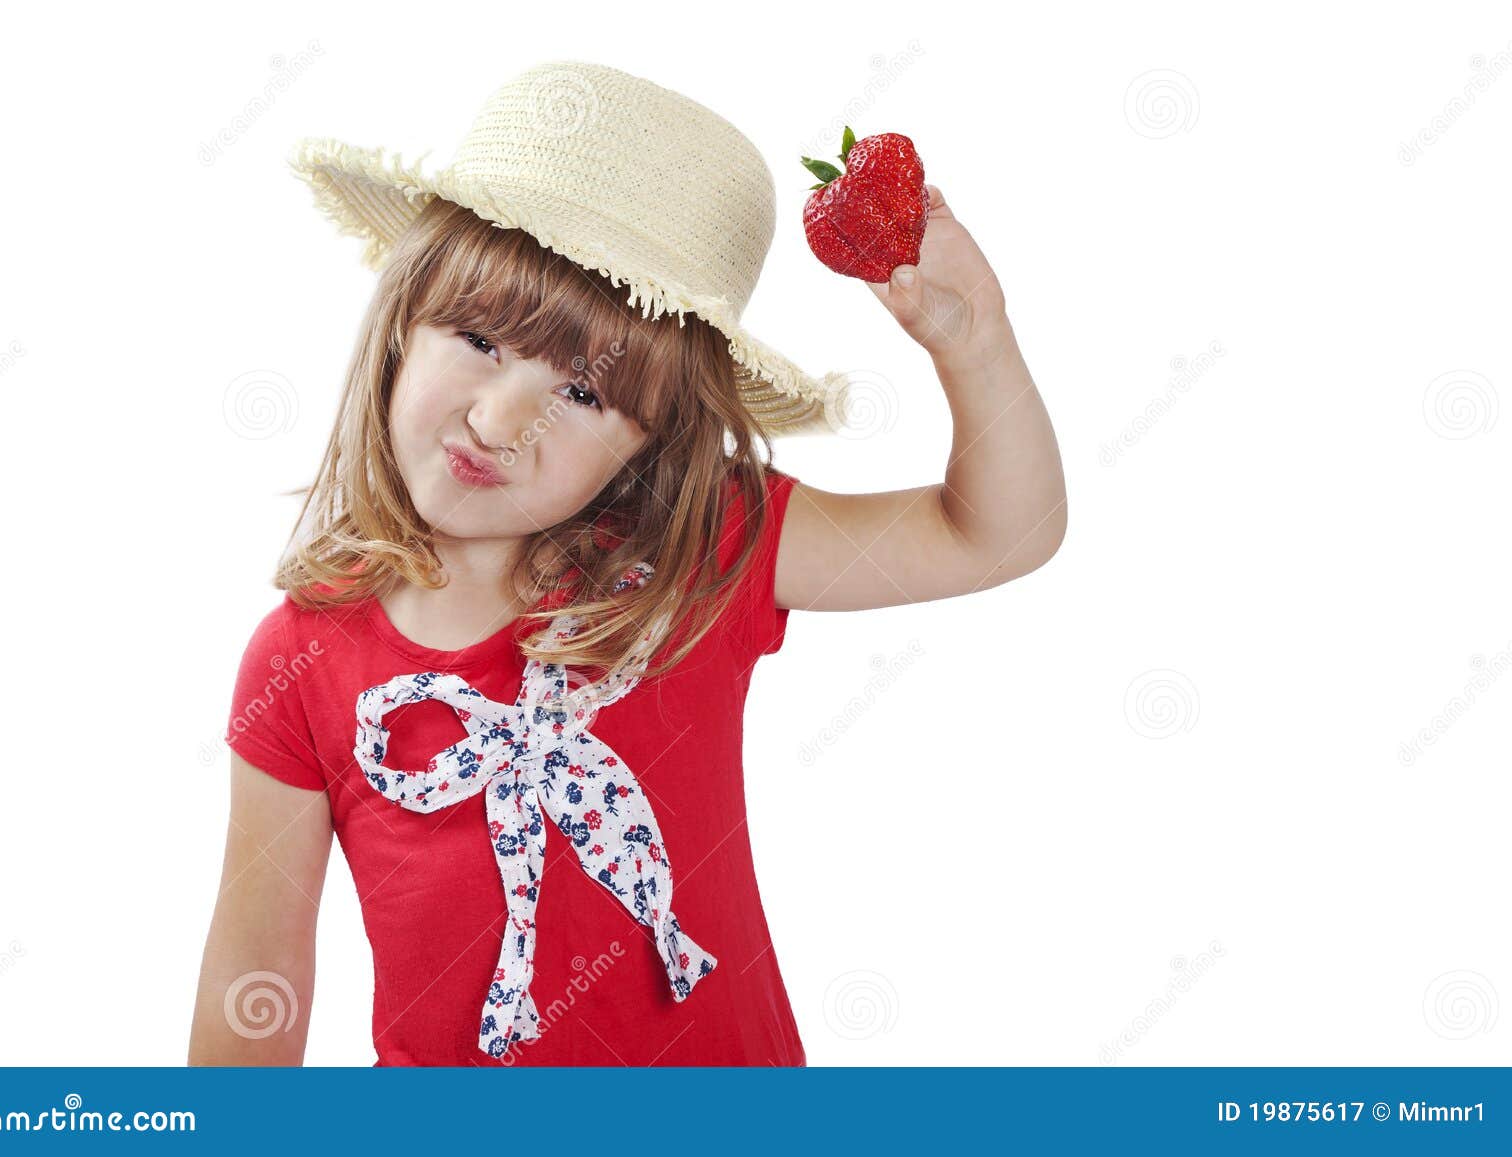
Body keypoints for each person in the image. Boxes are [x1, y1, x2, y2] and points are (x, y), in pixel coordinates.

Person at [188, 59, 1066, 1067]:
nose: (498, 419)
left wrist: (973, 339)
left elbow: (1000, 530)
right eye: (476, 337)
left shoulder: (702, 553)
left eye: (585, 395)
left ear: (652, 443)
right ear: (399, 329)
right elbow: (255, 974)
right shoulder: (300, 656)